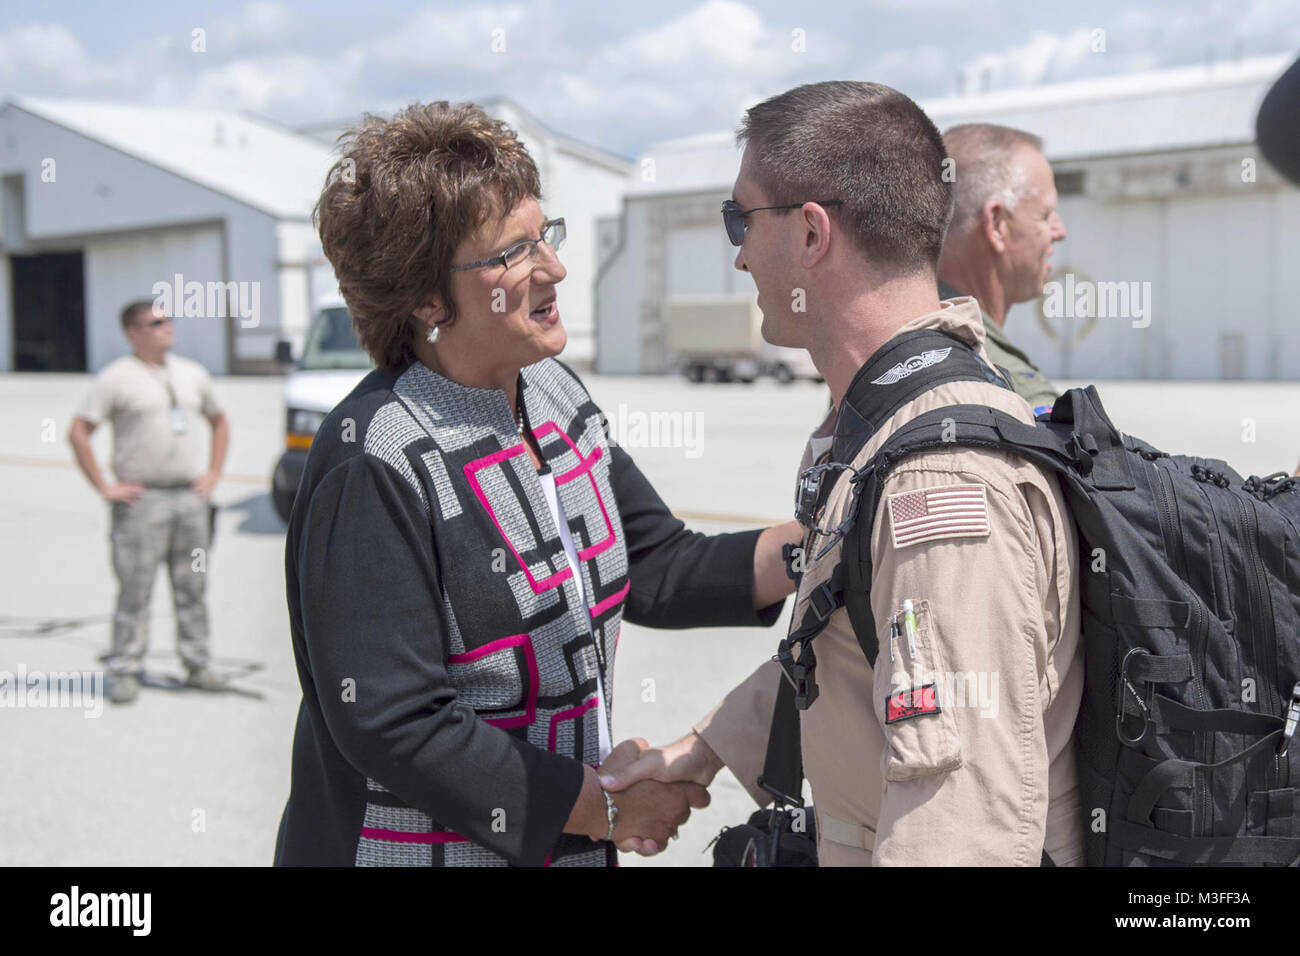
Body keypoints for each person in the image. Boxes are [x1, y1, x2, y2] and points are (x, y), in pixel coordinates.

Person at [272, 101, 802, 867]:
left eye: (544, 237)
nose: (552, 269)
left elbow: (652, 564)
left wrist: (824, 539)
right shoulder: (375, 455)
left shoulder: (555, 394)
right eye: (511, 254)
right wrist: (606, 807)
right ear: (423, 298)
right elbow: (396, 721)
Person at [601, 81, 1085, 866]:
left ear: (812, 233)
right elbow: (856, 649)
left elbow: (959, 826)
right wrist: (703, 750)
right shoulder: (882, 422)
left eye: (741, 219)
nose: (738, 253)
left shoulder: (939, 482)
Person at [68, 301, 230, 704]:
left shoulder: (191, 373)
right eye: (156, 322)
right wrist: (105, 487)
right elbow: (78, 431)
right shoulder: (115, 379)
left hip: (189, 499)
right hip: (142, 504)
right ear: (133, 332)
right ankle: (124, 667)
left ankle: (197, 663)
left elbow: (219, 420)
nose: (167, 327)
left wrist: (211, 474)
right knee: (134, 589)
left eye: (168, 320)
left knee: (192, 586)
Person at [937, 123, 1066, 416]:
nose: (1060, 231)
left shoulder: (886, 344)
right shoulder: (1008, 385)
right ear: (996, 224)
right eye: (1045, 215)